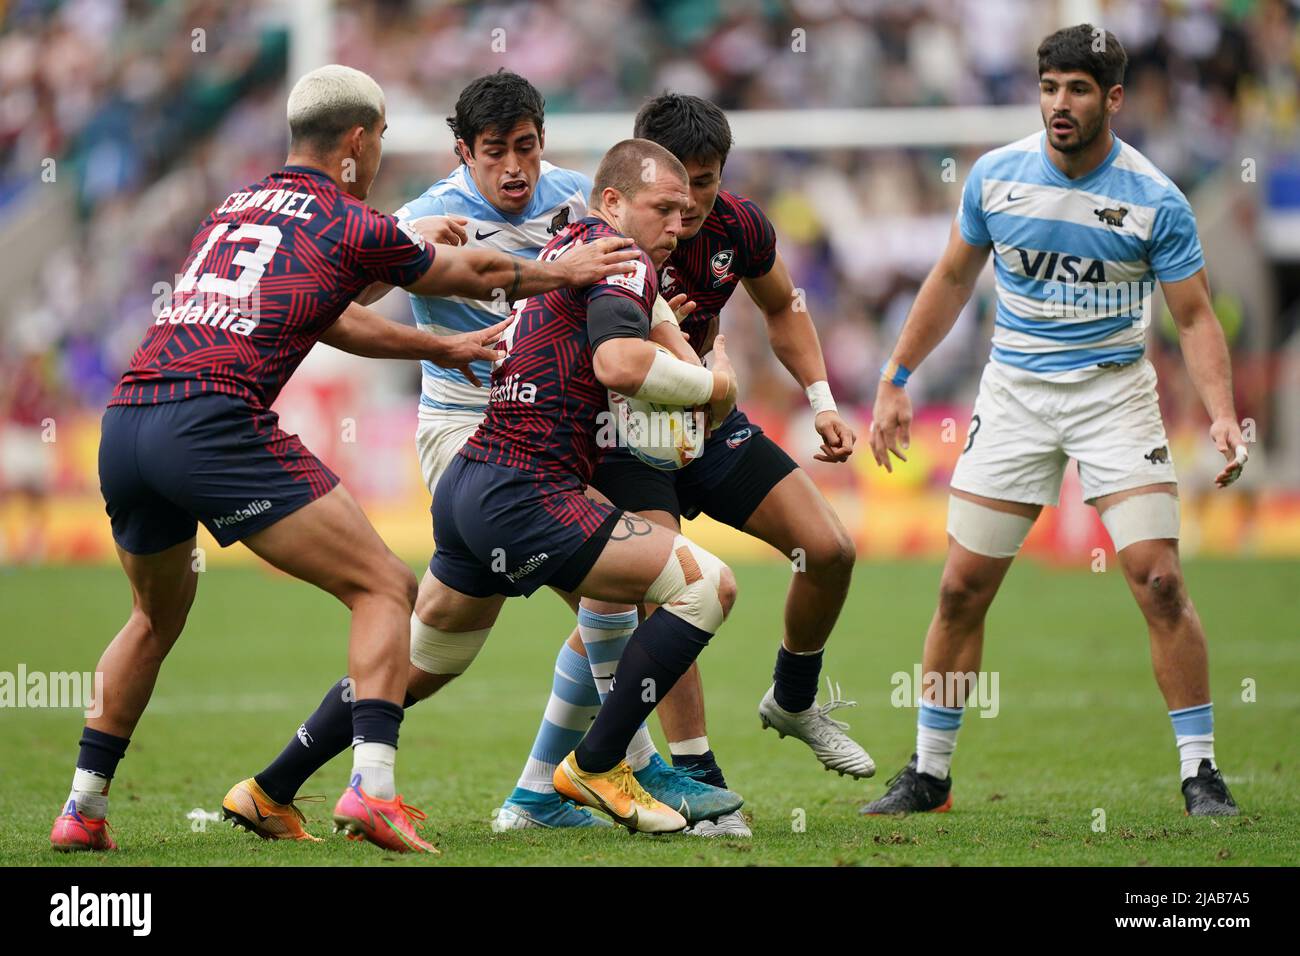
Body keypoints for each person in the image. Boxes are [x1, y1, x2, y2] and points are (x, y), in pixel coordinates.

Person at [48, 64, 640, 854]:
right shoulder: (349, 217)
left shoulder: (235, 206)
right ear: (358, 142)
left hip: (128, 422)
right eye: (383, 139)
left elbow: (329, 316)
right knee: (386, 586)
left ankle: (82, 808)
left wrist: (434, 343)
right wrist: (560, 271)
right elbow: (479, 271)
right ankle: (376, 792)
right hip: (214, 422)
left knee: (153, 617)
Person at [226, 72, 736, 843]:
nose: (514, 169)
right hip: (474, 434)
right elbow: (338, 304)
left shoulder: (585, 198)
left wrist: (665, 325)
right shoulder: (426, 214)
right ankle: (622, 766)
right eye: (494, 152)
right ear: (463, 152)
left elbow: (637, 275)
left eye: (526, 147)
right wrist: (414, 269)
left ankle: (273, 786)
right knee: (617, 590)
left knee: (433, 649)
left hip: (547, 441)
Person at [862, 25, 1245, 818]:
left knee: (1161, 581)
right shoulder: (996, 176)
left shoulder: (1155, 199)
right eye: (1048, 87)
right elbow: (950, 279)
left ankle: (1200, 771)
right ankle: (930, 773)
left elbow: (1197, 318)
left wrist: (1223, 416)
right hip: (1015, 398)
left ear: (1112, 99)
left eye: (1076, 89)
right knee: (963, 588)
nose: (1058, 104)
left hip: (1114, 396)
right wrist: (897, 377)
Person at [501, 93, 872, 837]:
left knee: (828, 549)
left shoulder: (738, 224)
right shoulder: (595, 232)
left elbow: (783, 306)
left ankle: (793, 699)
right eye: (683, 183)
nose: (695, 202)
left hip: (708, 425)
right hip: (624, 437)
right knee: (669, 592)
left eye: (708, 181)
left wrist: (823, 398)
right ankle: (695, 779)